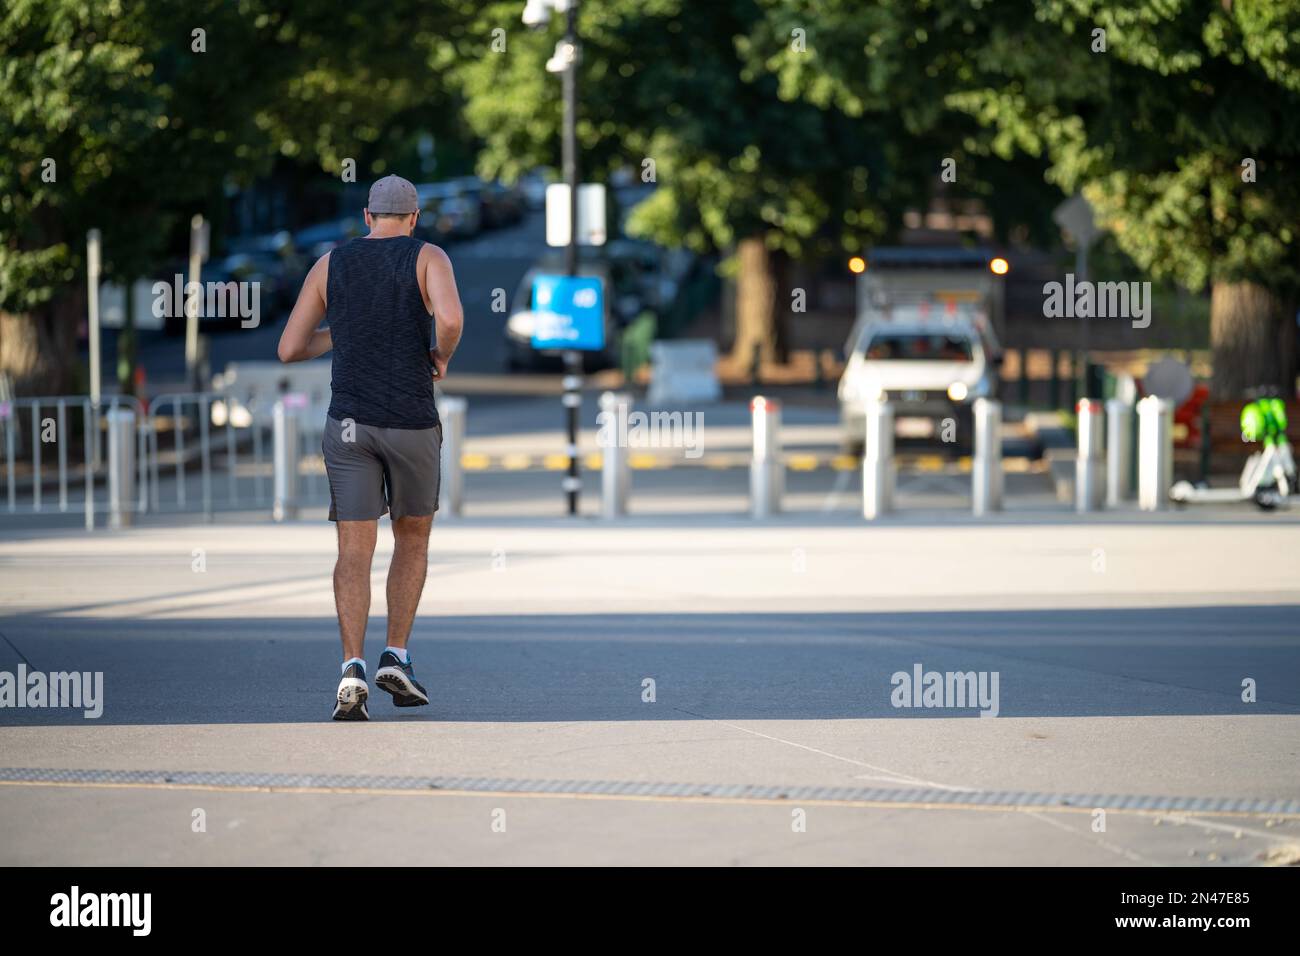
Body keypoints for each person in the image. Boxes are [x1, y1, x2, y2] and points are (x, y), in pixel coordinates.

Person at [277, 174, 464, 720]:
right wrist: (441, 354)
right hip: (410, 421)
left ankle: (351, 669)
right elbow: (450, 318)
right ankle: (396, 656)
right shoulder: (428, 256)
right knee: (412, 539)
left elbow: (290, 348)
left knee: (352, 553)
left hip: (350, 426)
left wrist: (346, 330)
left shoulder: (330, 264)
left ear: (366, 217)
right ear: (413, 217)